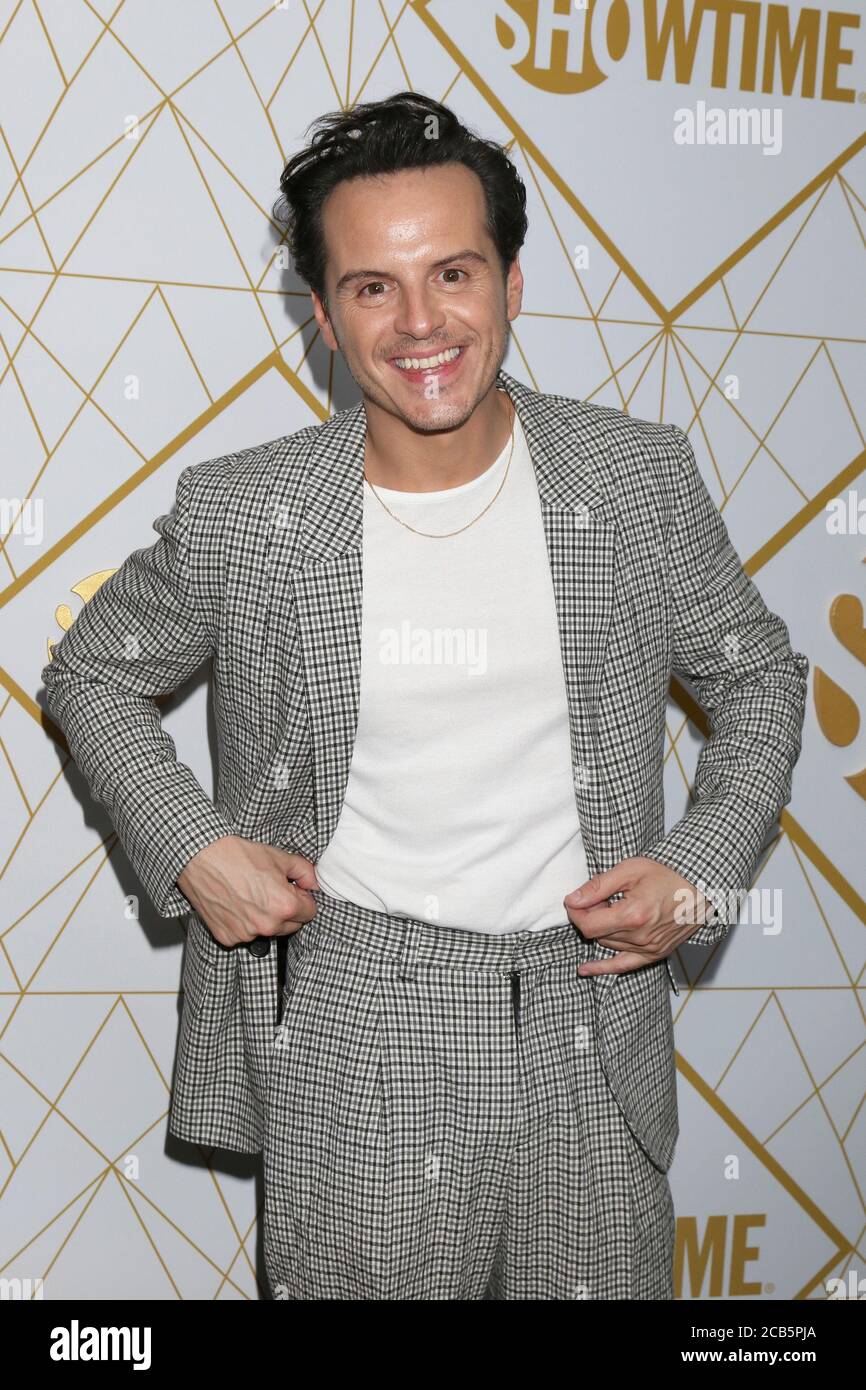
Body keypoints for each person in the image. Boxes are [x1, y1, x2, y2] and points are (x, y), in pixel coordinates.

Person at [41, 90, 809, 1300]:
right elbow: (92, 668)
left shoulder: (636, 477)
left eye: (452, 272)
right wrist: (194, 849)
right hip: (358, 1023)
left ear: (509, 280)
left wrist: (700, 864)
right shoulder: (247, 512)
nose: (420, 323)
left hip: (588, 1017)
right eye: (371, 287)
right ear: (323, 318)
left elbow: (758, 673)